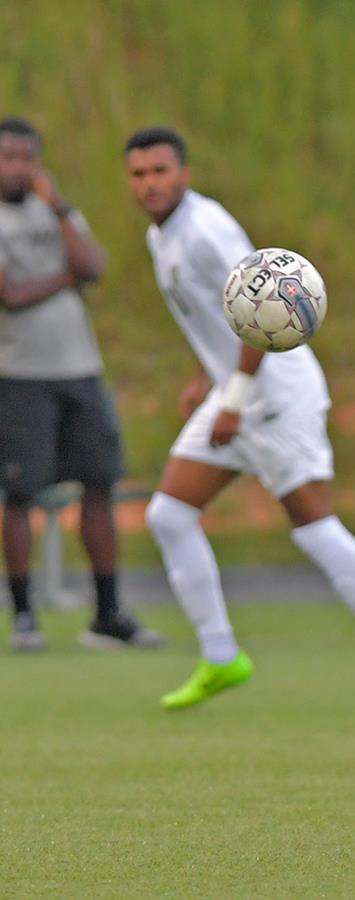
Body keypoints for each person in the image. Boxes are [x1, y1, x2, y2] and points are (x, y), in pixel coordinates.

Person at [124, 126, 355, 713]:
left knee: (314, 526)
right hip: (234, 394)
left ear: (185, 173)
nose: (150, 184)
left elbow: (265, 312)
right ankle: (221, 658)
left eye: (160, 171)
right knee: (168, 514)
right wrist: (204, 377)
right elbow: (212, 314)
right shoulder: (158, 234)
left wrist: (235, 397)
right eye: (139, 175)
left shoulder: (208, 231)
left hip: (278, 396)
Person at [0, 116, 161, 651]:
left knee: (100, 484)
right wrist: (64, 279)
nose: (19, 167)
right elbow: (10, 295)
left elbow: (92, 265)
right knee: (20, 492)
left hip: (80, 369)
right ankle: (24, 616)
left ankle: (108, 613)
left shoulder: (58, 212)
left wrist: (62, 208)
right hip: (20, 374)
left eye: (27, 157)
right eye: (8, 157)